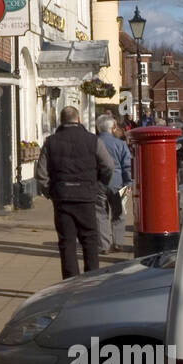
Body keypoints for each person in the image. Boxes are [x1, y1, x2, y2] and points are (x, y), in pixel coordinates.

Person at [35, 106, 114, 278]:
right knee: (90, 240)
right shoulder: (93, 140)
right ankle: (91, 280)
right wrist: (99, 183)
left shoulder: (50, 142)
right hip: (86, 196)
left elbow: (41, 173)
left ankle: (70, 282)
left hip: (62, 197)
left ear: (61, 121)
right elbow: (108, 165)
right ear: (78, 120)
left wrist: (50, 192)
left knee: (67, 242)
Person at [95, 114, 132, 252]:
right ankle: (118, 242)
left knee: (100, 214)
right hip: (118, 182)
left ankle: (103, 245)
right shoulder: (120, 144)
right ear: (113, 127)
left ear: (98, 128)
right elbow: (127, 165)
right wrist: (129, 183)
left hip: (98, 182)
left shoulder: (94, 142)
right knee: (119, 213)